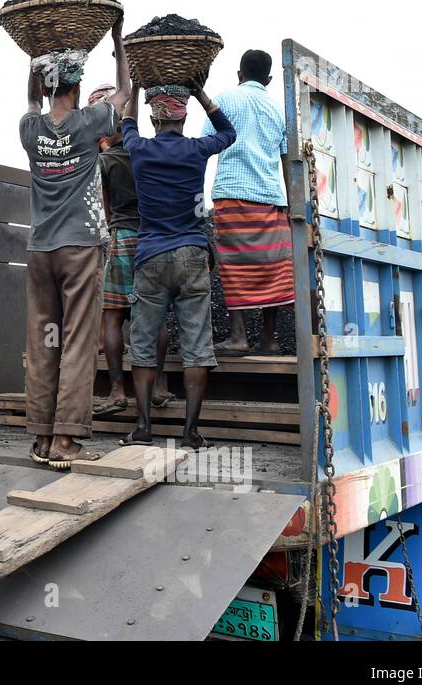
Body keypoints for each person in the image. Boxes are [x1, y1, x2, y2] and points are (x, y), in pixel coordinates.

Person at [19, 17, 133, 468]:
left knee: (44, 340)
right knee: (78, 341)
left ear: (47, 87)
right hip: (80, 247)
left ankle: (42, 437)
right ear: (78, 83)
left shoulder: (30, 129)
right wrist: (118, 39)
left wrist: (36, 54)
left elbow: (31, 98)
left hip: (40, 249)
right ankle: (66, 441)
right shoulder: (90, 124)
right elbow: (124, 91)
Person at [121, 74, 235, 449]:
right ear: (183, 119)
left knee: (142, 343)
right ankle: (190, 433)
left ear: (154, 120)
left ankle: (142, 427)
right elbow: (228, 132)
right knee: (196, 345)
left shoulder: (138, 148)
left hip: (150, 255)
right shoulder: (197, 149)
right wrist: (201, 92)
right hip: (191, 253)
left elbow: (125, 121)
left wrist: (136, 89)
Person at [204, 49, 293, 354]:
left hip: (233, 193)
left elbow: (205, 146)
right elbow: (286, 159)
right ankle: (268, 338)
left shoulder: (224, 99)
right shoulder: (280, 110)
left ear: (239, 74)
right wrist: (292, 204)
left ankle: (238, 335)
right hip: (271, 197)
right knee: (274, 270)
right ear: (268, 79)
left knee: (233, 266)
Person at [92, 85, 173, 418]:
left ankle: (116, 391)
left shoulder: (105, 160)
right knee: (154, 314)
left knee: (112, 316)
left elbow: (106, 210)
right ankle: (159, 387)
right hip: (155, 237)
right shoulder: (150, 153)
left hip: (122, 235)